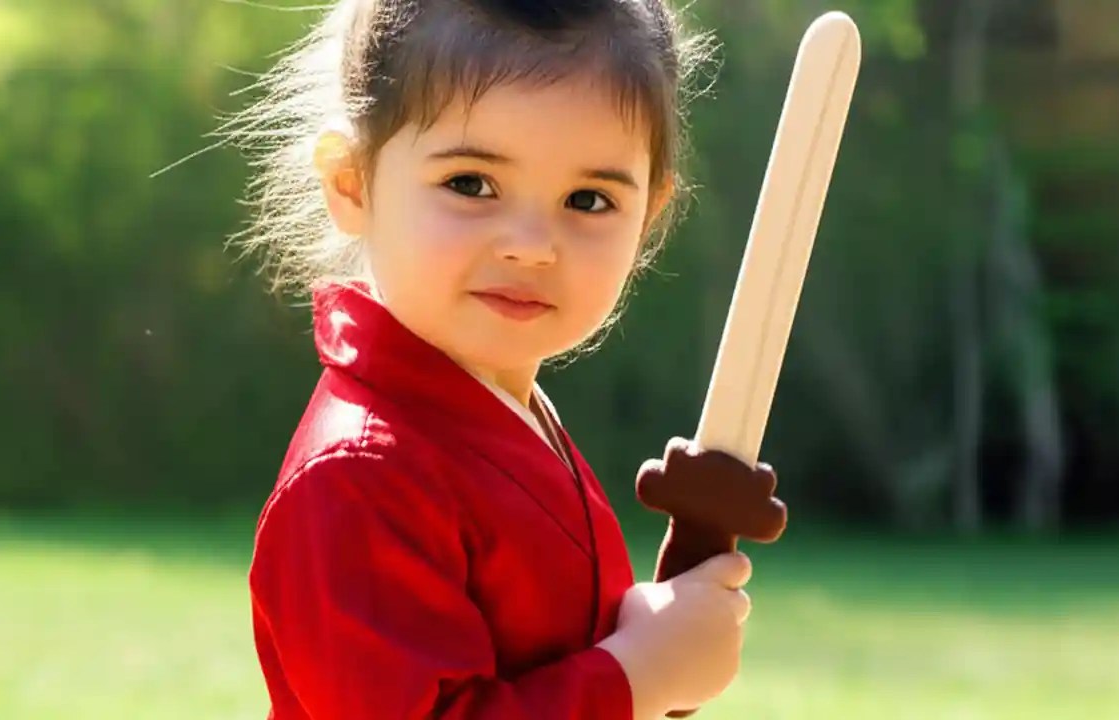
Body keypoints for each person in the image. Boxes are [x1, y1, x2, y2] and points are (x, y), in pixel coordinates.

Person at [233, 0, 772, 717]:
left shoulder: (504, 414)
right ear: (352, 182)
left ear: (648, 217)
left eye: (588, 199)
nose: (531, 244)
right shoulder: (360, 477)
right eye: (470, 184)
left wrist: (643, 631)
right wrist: (634, 676)